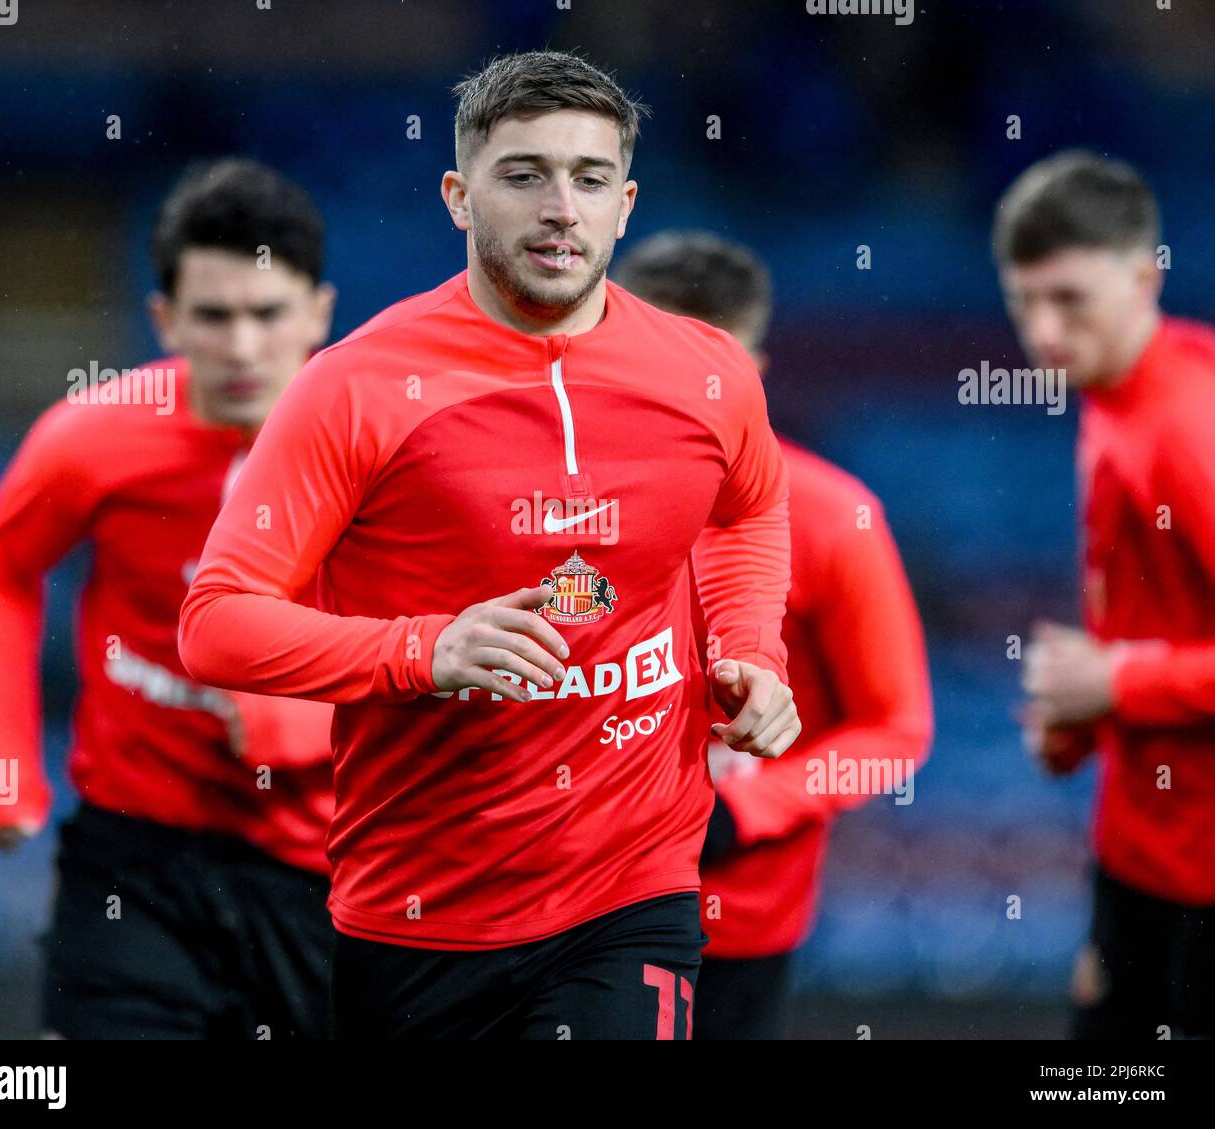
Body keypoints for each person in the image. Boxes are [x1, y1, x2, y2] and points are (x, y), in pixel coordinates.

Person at [178, 50, 800, 1041]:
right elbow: (216, 625)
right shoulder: (355, 388)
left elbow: (746, 513)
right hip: (417, 911)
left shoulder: (710, 373)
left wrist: (748, 653)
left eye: (589, 178)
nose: (561, 206)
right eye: (524, 175)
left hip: (631, 890)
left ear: (626, 202)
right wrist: (424, 651)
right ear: (458, 196)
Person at [0, 158, 339, 1039]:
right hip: (136, 860)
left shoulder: (392, 456)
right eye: (213, 315)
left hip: (332, 874)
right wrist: (5, 765)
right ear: (164, 320)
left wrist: (309, 717)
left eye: (268, 313)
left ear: (319, 311)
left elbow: (457, 642)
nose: (242, 347)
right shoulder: (92, 438)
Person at [614, 231, 933, 1039]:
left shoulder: (834, 518)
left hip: (737, 925)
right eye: (653, 361)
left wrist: (748, 808)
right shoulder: (556, 502)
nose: (680, 395)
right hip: (574, 901)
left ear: (754, 367)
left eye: (710, 368)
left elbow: (897, 729)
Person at [997, 150, 1215, 1039]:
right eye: (1024, 304)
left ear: (1142, 275)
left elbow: (1135, 662)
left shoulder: (1190, 427)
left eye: (1069, 301)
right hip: (1142, 852)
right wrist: (1086, 715)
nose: (1044, 332)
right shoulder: (1115, 391)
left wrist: (1116, 686)